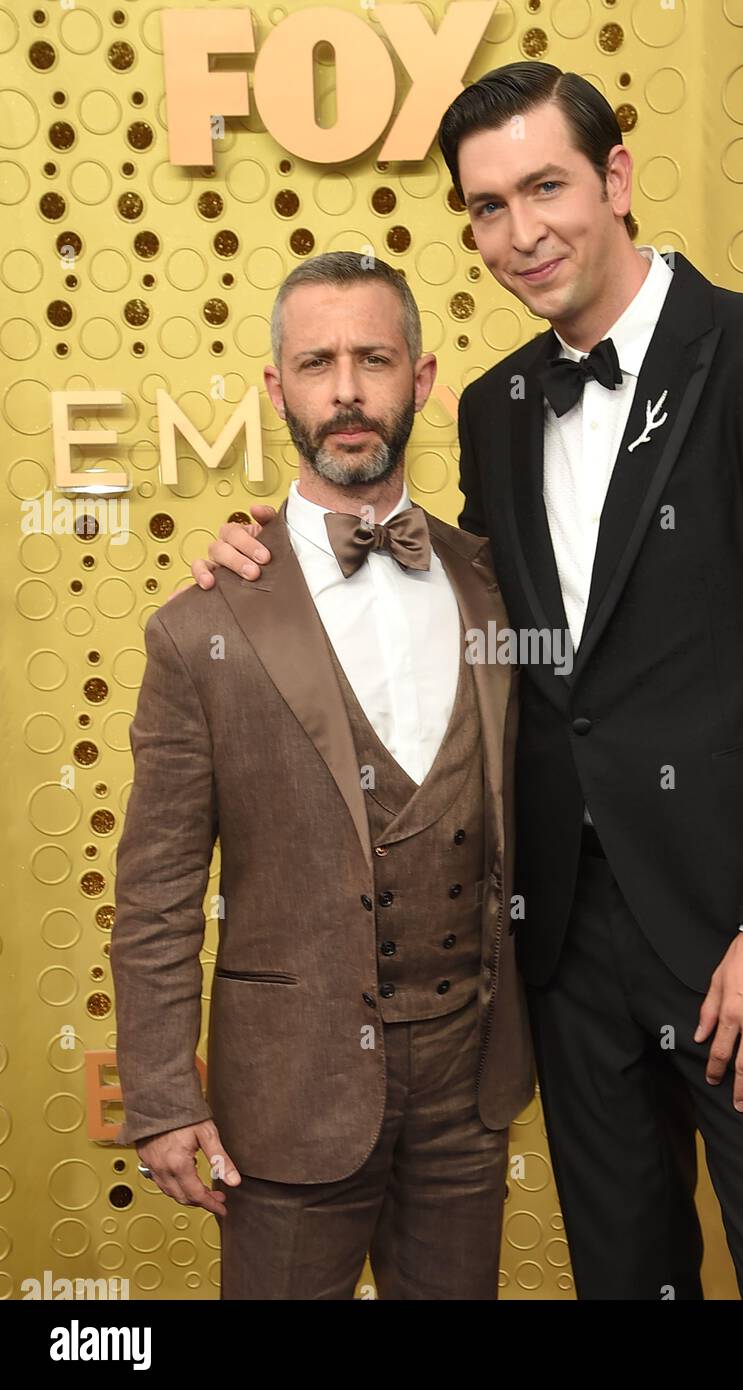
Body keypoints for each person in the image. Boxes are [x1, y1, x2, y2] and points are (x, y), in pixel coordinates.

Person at [191, 63, 743, 1300]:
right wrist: (266, 555)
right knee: (623, 1276)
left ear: (615, 179)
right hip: (563, 948)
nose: (519, 234)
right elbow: (453, 585)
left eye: (546, 187)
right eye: (485, 207)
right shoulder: (505, 403)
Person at [112, 250, 534, 1300]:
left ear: (422, 379)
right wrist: (163, 1095)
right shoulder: (200, 624)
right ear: (277, 390)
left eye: (374, 359)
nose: (346, 390)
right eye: (317, 363)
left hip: (468, 1083)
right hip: (288, 1092)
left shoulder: (495, 581)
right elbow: (158, 887)